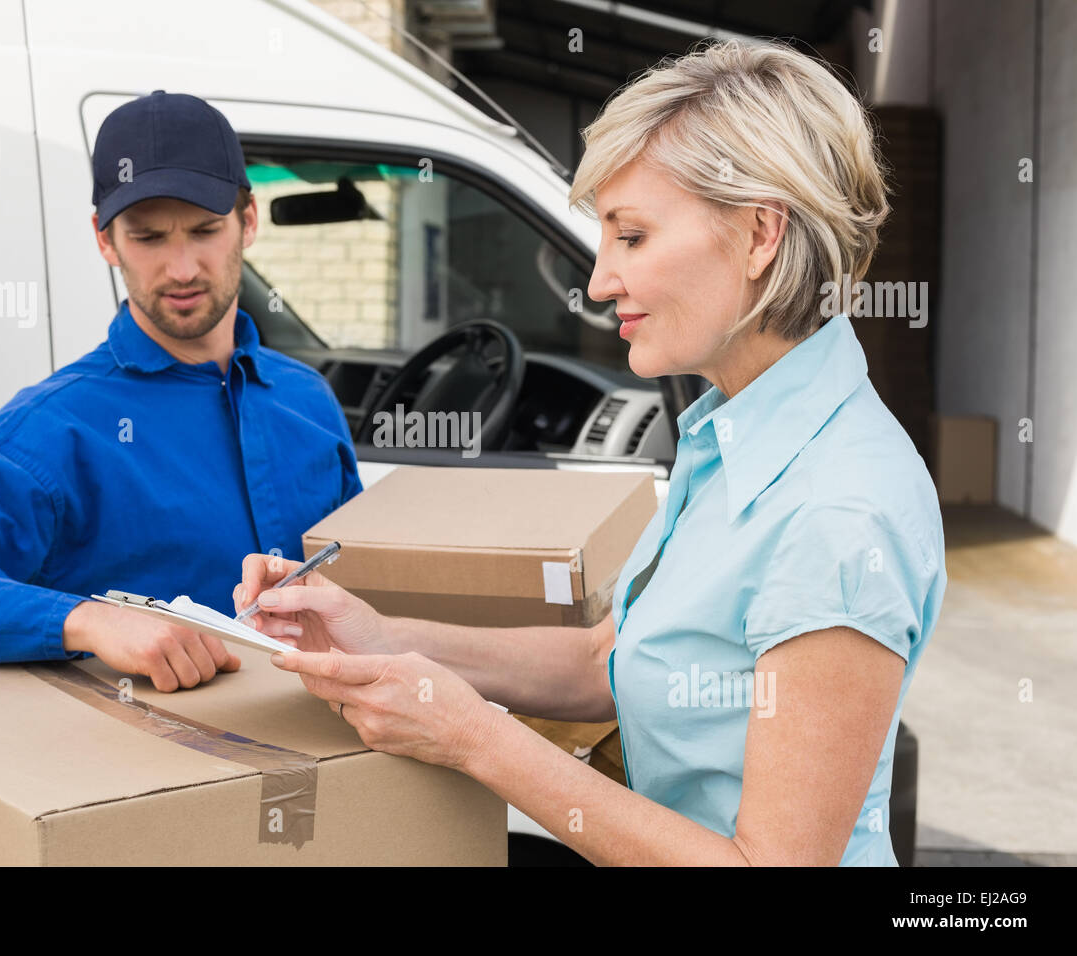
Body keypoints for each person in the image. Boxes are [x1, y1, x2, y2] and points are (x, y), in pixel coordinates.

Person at [235, 40, 946, 866]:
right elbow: (607, 658)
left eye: (632, 236)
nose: (600, 280)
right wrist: (381, 635)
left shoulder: (836, 513)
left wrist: (472, 738)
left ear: (759, 235)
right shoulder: (735, 433)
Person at [0, 91, 361, 692]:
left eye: (205, 230)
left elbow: (359, 592)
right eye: (149, 237)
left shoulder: (309, 401)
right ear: (105, 240)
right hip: (165, 775)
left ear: (248, 221)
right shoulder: (54, 428)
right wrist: (88, 621)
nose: (182, 267)